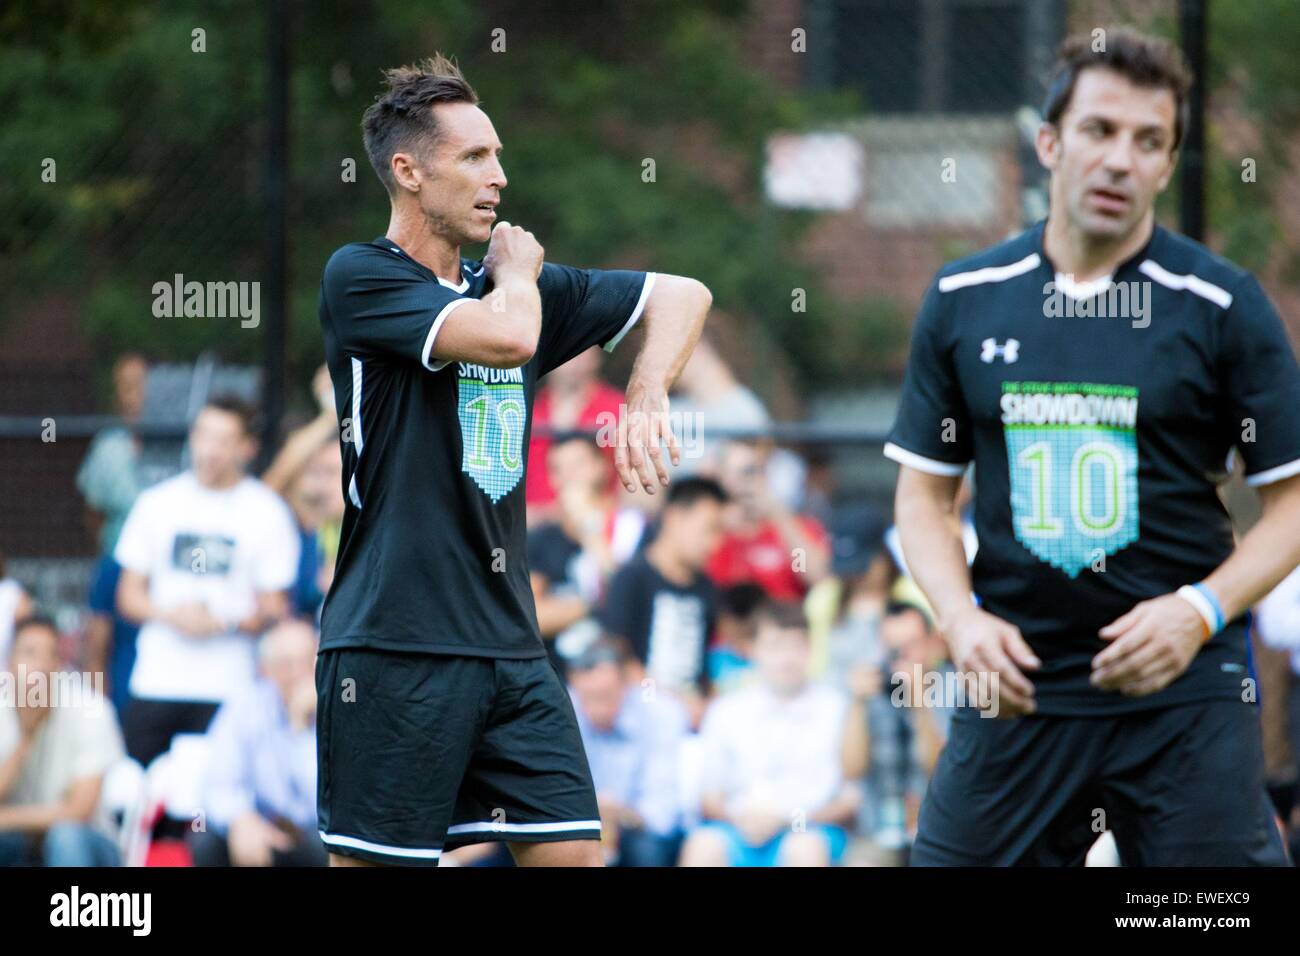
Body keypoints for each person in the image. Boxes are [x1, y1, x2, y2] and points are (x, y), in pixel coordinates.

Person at [885, 28, 1300, 865]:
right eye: (1100, 131)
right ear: (1050, 143)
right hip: (1017, 690)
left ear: (1167, 165)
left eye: (1150, 142)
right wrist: (960, 620)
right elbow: (924, 497)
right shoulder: (965, 298)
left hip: (1183, 693)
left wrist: (1200, 611)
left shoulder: (1222, 306)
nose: (1120, 160)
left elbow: (1293, 505)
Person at [315, 54, 711, 867]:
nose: (499, 175)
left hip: (511, 649)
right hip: (394, 648)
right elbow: (511, 337)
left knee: (571, 855)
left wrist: (645, 390)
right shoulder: (362, 277)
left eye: (497, 154)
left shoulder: (506, 285)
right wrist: (523, 273)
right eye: (473, 157)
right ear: (408, 171)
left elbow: (685, 295)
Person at [114, 396, 301, 768]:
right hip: (156, 683)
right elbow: (128, 595)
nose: (210, 450)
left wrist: (222, 620)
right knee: (139, 800)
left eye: (224, 440)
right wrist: (173, 616)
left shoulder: (268, 512)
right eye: (203, 435)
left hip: (230, 689)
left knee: (215, 809)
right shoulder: (156, 503)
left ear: (247, 447)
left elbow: (276, 605)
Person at [679, 601, 865, 867]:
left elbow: (850, 800)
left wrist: (789, 821)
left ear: (811, 649)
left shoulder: (837, 708)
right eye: (775, 646)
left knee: (803, 848)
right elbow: (708, 797)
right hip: (738, 830)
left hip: (811, 830)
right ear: (753, 650)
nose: (787, 659)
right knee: (703, 846)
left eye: (796, 646)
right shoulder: (725, 710)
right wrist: (742, 821)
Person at [190, 620, 326, 867]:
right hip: (259, 824)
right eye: (286, 664)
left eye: (306, 661)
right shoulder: (244, 706)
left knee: (321, 847)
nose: (298, 673)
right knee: (205, 840)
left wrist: (299, 728)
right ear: (266, 669)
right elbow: (219, 782)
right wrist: (240, 820)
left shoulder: (342, 708)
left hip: (314, 831)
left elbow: (321, 800)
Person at [600, 478, 728, 727]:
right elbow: (617, 655)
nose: (715, 543)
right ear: (674, 517)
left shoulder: (707, 588)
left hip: (692, 721)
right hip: (638, 716)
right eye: (710, 529)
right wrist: (672, 701)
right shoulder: (632, 577)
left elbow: (709, 662)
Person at [0, 616, 125, 866]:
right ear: (9, 662)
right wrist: (27, 737)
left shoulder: (91, 709)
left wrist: (6, 819)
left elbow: (78, 812)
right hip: (18, 842)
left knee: (65, 837)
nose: (41, 666)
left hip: (89, 843)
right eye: (30, 653)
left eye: (51, 655)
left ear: (60, 664)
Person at [528, 432, 646, 676]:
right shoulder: (542, 538)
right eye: (558, 469)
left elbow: (633, 602)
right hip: (559, 675)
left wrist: (589, 527)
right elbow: (532, 618)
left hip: (624, 672)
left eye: (578, 464)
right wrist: (593, 605)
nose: (569, 476)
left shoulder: (634, 528)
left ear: (601, 467)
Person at [567, 638, 688, 867]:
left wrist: (618, 814)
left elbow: (663, 816)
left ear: (626, 685)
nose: (595, 709)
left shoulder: (661, 713)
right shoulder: (563, 709)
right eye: (587, 697)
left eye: (604, 696)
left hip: (639, 830)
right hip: (579, 823)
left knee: (647, 849)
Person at [79, 353, 149, 715]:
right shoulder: (109, 446)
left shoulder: (185, 443)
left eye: (143, 383)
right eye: (127, 386)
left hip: (166, 569)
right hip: (117, 563)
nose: (135, 394)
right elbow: (94, 510)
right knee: (104, 647)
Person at [261, 365, 346, 620]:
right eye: (316, 473)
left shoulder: (377, 525)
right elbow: (272, 484)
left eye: (331, 473)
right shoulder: (311, 524)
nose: (319, 485)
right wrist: (331, 412)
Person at [708, 439, 830, 601]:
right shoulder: (710, 529)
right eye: (732, 473)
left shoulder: (795, 527)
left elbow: (817, 577)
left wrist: (779, 516)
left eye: (750, 471)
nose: (742, 483)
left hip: (785, 619)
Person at [525, 346, 625, 522]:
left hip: (601, 524)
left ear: (597, 354)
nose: (573, 355)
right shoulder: (524, 410)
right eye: (566, 342)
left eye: (584, 345)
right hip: (534, 531)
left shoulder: (619, 410)